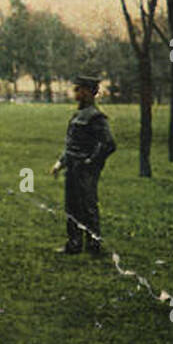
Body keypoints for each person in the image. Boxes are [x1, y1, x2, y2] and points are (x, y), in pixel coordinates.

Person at [51, 74, 117, 257]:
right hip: (72, 167)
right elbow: (72, 145)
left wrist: (91, 162)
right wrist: (60, 163)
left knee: (87, 207)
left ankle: (94, 246)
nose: (75, 93)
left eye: (79, 89)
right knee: (71, 206)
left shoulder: (96, 117)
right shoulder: (78, 115)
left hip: (84, 170)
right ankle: (74, 243)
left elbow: (108, 144)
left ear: (89, 92)